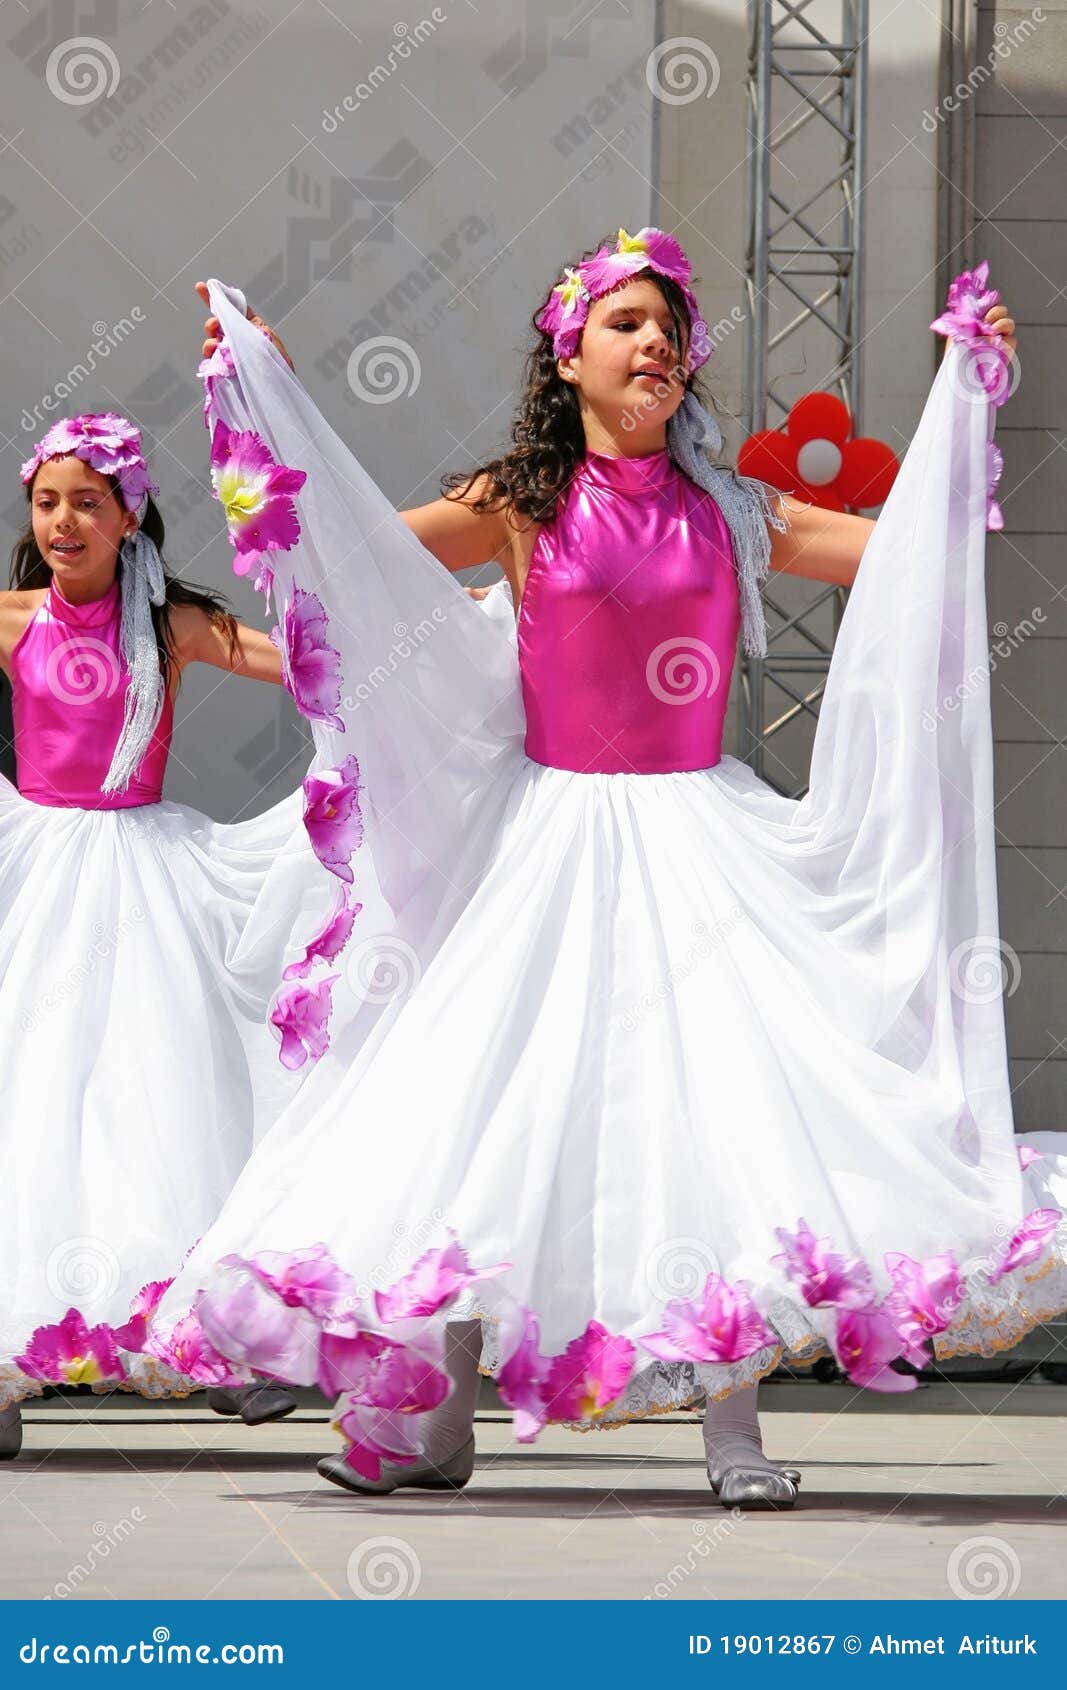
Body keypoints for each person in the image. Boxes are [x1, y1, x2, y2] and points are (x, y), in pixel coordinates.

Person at [150, 231, 1064, 1510]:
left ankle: (732, 1435)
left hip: (697, 844)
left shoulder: (735, 509)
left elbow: (906, 554)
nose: (653, 344)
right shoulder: (519, 504)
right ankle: (433, 1425)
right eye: (624, 323)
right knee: (487, 1113)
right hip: (545, 851)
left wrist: (967, 402)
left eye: (667, 327)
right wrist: (268, 389)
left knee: (719, 1120)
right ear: (567, 355)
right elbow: (353, 560)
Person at [0, 413, 332, 1459]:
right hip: (36, 867)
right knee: (33, 1101)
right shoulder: (11, 618)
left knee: (158, 1097)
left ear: (129, 511)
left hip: (144, 875)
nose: (63, 520)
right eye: (47, 501)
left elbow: (306, 670)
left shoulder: (170, 622)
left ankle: (208, 1335)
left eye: (86, 501)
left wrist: (419, 639)